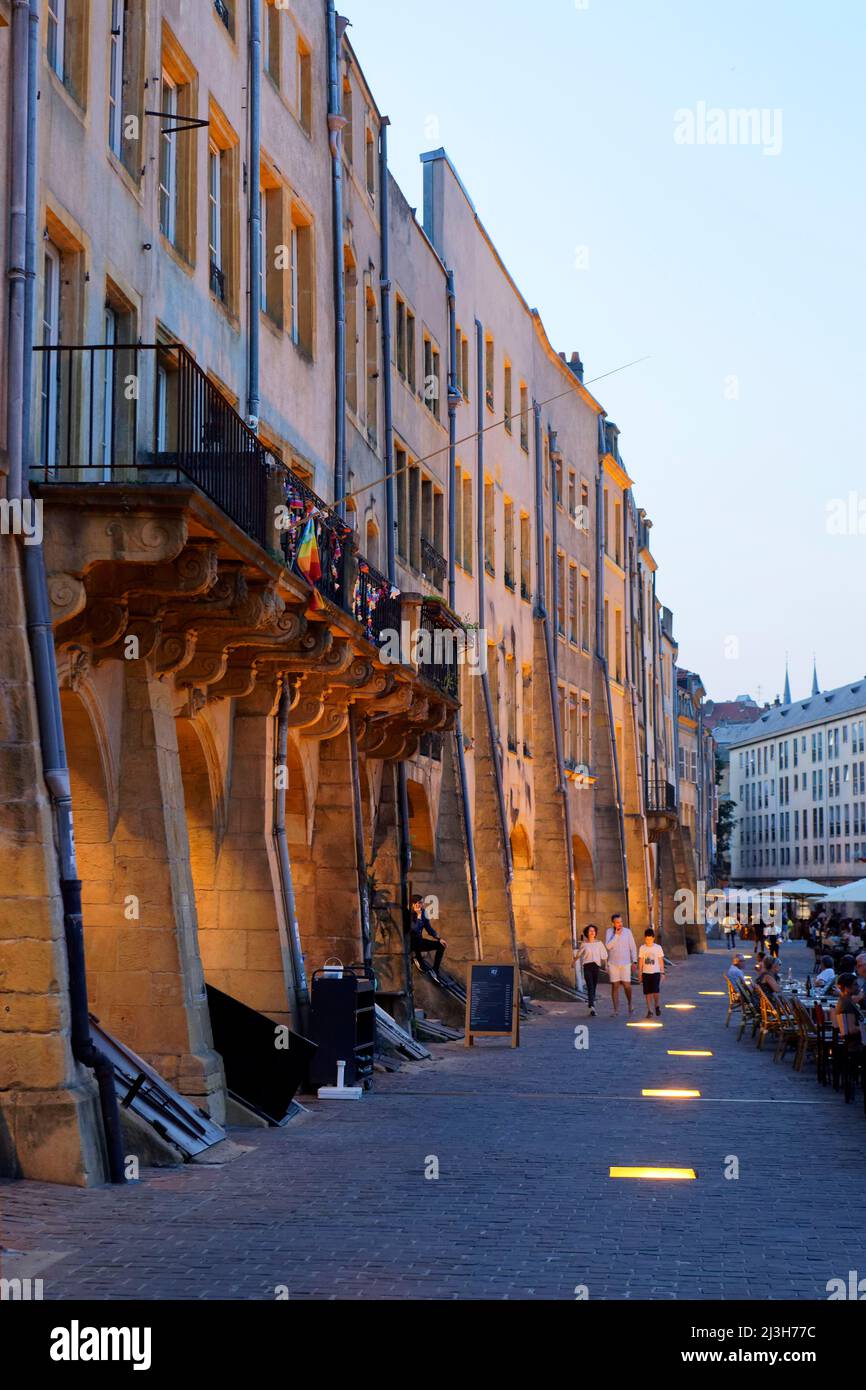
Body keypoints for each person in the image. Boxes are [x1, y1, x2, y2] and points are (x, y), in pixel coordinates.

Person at [605, 914, 637, 1016]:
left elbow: (633, 947)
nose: (620, 924)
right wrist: (616, 935)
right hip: (613, 963)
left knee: (627, 985)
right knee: (615, 986)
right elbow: (608, 946)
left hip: (626, 963)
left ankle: (630, 1004)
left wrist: (634, 961)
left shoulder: (628, 932)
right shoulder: (609, 932)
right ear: (613, 923)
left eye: (621, 922)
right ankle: (616, 1010)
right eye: (618, 922)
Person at [408, 894, 446, 975]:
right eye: (420, 903)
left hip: (419, 942)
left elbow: (429, 929)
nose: (422, 904)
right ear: (413, 904)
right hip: (411, 943)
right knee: (415, 940)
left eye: (422, 902)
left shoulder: (423, 912)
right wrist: (418, 916)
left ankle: (435, 970)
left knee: (441, 945)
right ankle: (418, 958)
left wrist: (439, 938)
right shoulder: (408, 914)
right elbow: (414, 930)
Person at [575, 924, 607, 1017]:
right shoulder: (584, 944)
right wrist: (573, 962)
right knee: (590, 986)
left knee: (594, 986)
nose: (592, 932)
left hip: (596, 967)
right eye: (590, 931)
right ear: (587, 933)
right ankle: (592, 1006)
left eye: (593, 930)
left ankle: (591, 1002)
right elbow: (578, 954)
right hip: (587, 966)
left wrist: (607, 965)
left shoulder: (599, 943)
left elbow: (604, 954)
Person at [638, 928, 665, 1018]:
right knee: (647, 992)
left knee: (655, 991)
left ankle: (656, 1005)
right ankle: (649, 1010)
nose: (648, 941)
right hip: (646, 973)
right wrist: (640, 973)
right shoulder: (642, 948)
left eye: (650, 939)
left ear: (653, 938)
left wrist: (662, 973)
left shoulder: (658, 948)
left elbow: (661, 961)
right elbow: (641, 961)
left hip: (656, 972)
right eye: (647, 939)